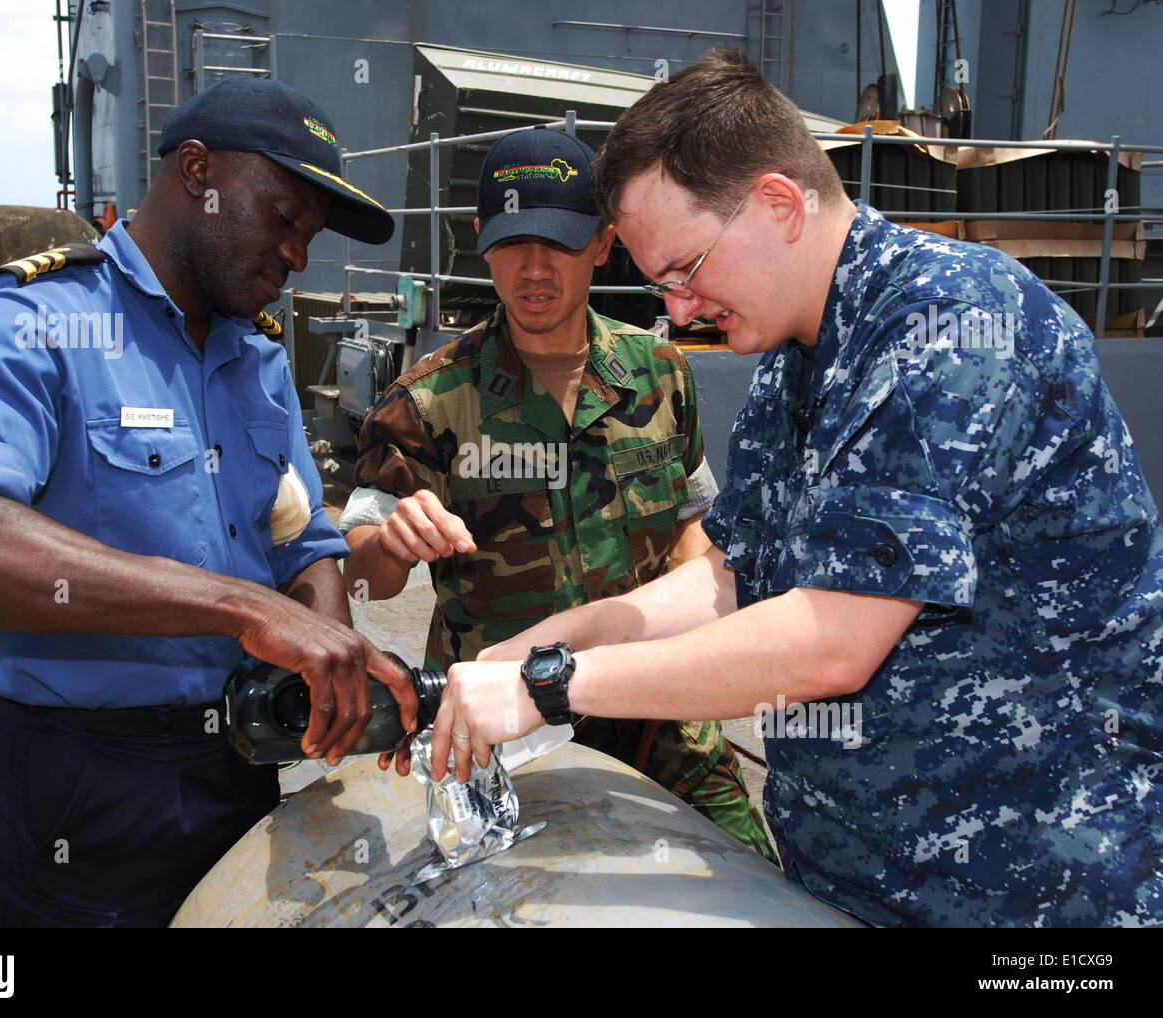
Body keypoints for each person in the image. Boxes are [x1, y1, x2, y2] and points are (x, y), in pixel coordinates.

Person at [426, 49, 1163, 927]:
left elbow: (831, 639)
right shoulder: (792, 365)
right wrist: (561, 632)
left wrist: (551, 685)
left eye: (686, 269)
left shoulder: (954, 325)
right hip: (855, 878)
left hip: (1033, 899)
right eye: (661, 285)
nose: (682, 309)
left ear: (778, 204)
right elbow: (734, 577)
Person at [0, 78, 417, 927]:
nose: (298, 257)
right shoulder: (36, 320)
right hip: (85, 783)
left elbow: (297, 533)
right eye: (283, 218)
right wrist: (240, 610)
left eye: (309, 236)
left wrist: (329, 650)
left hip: (240, 759)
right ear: (196, 171)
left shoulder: (257, 355)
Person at [339, 125, 775, 859]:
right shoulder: (428, 403)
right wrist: (388, 543)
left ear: (604, 244)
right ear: (480, 239)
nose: (534, 269)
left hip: (653, 709)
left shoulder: (661, 375)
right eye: (512, 243)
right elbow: (362, 582)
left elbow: (694, 527)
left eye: (560, 243)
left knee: (749, 875)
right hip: (502, 724)